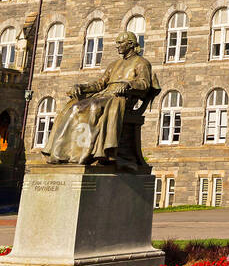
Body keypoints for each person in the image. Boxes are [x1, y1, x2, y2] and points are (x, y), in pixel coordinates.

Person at [44, 31, 159, 173]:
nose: (117, 46)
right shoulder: (114, 64)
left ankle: (87, 153)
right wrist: (82, 87)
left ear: (130, 44)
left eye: (120, 43)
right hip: (104, 95)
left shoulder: (142, 63)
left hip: (121, 99)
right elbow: (100, 84)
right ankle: (62, 151)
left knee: (93, 107)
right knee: (73, 107)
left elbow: (144, 83)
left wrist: (128, 85)